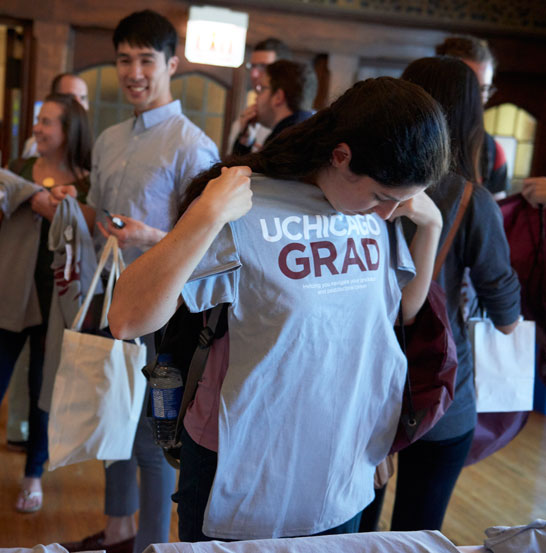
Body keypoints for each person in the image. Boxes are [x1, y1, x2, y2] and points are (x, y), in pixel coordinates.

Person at [108, 76, 451, 541]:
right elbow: (127, 317)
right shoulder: (248, 205)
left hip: (340, 468)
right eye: (382, 197)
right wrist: (205, 215)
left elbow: (391, 319)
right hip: (244, 466)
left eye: (400, 201)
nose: (389, 213)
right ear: (342, 156)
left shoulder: (379, 214)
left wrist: (430, 226)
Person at [59, 10, 218, 553]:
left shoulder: (192, 145)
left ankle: (152, 546)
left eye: (146, 60)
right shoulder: (107, 139)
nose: (134, 72)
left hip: (162, 310)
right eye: (125, 59)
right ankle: (119, 530)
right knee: (110, 416)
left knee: (153, 439)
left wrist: (152, 236)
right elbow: (99, 215)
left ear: (171, 64)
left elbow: (212, 246)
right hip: (109, 301)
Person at [381, 56, 521, 533]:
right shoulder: (468, 198)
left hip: (363, 384)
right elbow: (505, 313)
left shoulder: (363, 184)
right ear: (468, 117)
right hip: (437, 390)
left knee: (350, 529)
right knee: (419, 532)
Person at [0, 92, 91, 512]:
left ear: (69, 131)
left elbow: (93, 231)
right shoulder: (14, 169)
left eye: (48, 122)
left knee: (43, 393)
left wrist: (32, 197)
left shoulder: (88, 182)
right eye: (39, 120)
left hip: (59, 302)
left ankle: (33, 473)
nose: (38, 128)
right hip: (8, 297)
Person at [436, 35, 509, 199]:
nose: (475, 99)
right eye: (469, 88)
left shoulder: (492, 151)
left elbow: (496, 217)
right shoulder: (416, 134)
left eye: (483, 89)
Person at [232, 59, 316, 155]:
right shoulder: (306, 132)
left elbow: (237, 170)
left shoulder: (284, 142)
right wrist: (245, 139)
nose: (256, 97)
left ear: (278, 97)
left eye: (262, 89)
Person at [229, 37, 292, 154]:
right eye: (252, 66)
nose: (254, 74)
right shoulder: (242, 122)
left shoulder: (297, 126)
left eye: (263, 66)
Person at [21, 72, 90, 159]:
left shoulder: (97, 150)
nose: (79, 104)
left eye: (83, 98)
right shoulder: (36, 147)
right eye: (71, 98)